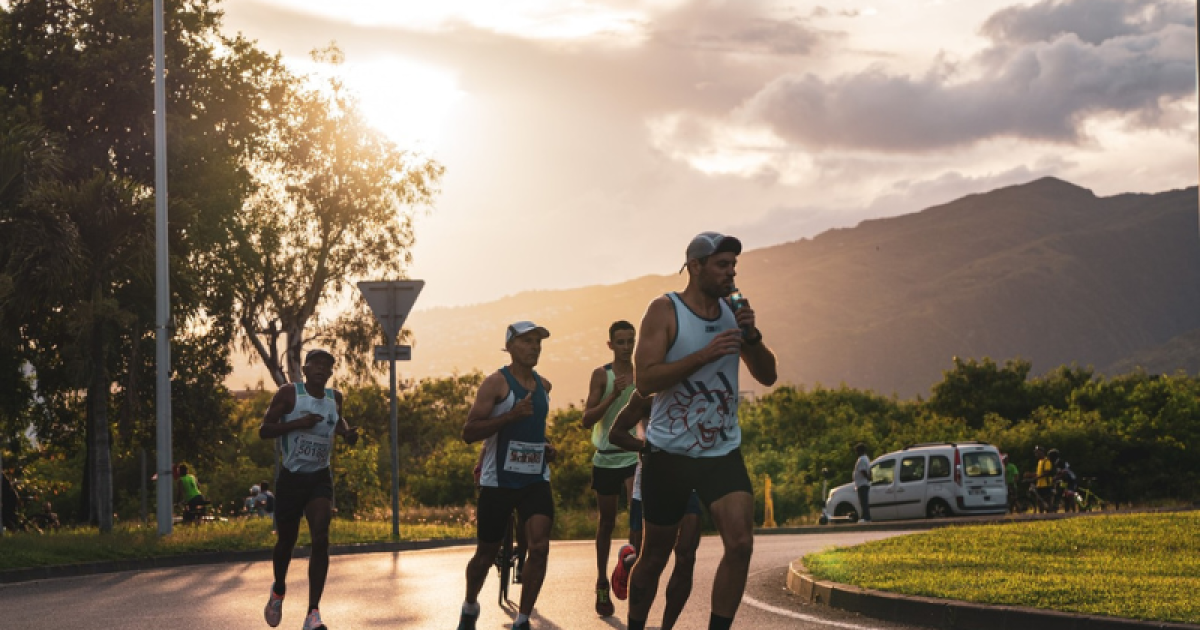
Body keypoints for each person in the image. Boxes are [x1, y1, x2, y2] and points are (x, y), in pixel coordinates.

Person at [624, 231, 777, 630]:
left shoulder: (734, 312)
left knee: (741, 543)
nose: (731, 273)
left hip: (720, 451)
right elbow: (645, 379)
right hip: (669, 453)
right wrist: (704, 355)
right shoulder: (665, 310)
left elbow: (768, 376)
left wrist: (752, 337)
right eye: (722, 265)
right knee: (655, 557)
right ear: (695, 267)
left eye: (733, 266)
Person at [457, 321, 556, 630]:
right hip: (498, 482)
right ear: (510, 346)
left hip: (535, 479)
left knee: (539, 548)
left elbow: (534, 430)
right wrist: (510, 416)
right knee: (485, 555)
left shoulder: (544, 386)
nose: (534, 347)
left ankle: (523, 619)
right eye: (527, 341)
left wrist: (547, 447)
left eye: (538, 342)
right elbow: (469, 432)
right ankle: (470, 605)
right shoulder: (495, 384)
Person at [259, 348, 360, 630]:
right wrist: (298, 424)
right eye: (315, 364)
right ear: (305, 369)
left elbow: (337, 421)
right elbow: (264, 429)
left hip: (319, 477)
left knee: (321, 536)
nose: (321, 368)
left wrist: (347, 434)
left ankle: (313, 613)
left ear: (330, 373)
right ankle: (278, 590)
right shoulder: (289, 394)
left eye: (327, 365)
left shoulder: (334, 398)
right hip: (292, 478)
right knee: (286, 543)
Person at [609, 389, 703, 630]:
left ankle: (667, 627)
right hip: (653, 479)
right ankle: (627, 560)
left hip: (691, 480)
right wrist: (646, 446)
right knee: (649, 558)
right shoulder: (650, 393)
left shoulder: (704, 387)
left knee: (686, 555)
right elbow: (616, 434)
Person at [580, 320, 639, 616]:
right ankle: (602, 581)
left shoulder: (643, 374)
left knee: (637, 516)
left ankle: (626, 565)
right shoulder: (601, 376)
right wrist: (614, 395)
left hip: (633, 456)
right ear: (611, 345)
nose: (627, 347)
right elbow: (586, 419)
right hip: (606, 456)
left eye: (631, 341)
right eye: (621, 342)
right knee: (606, 522)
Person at [853, 443, 872, 523]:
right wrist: (870, 477)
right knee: (864, 501)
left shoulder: (861, 460)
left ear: (860, 451)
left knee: (863, 501)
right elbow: (869, 469)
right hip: (864, 483)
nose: (856, 453)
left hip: (862, 483)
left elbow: (863, 470)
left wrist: (867, 477)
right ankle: (865, 516)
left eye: (857, 451)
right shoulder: (866, 458)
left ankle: (866, 517)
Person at [1035, 446, 1055, 512]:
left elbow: (1046, 473)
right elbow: (1038, 473)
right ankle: (1042, 516)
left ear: (1041, 452)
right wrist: (1031, 475)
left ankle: (1051, 515)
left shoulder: (1047, 461)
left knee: (1048, 501)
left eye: (1037, 452)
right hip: (1039, 485)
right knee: (1039, 501)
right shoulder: (1039, 462)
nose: (1036, 454)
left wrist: (1035, 478)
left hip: (1046, 485)